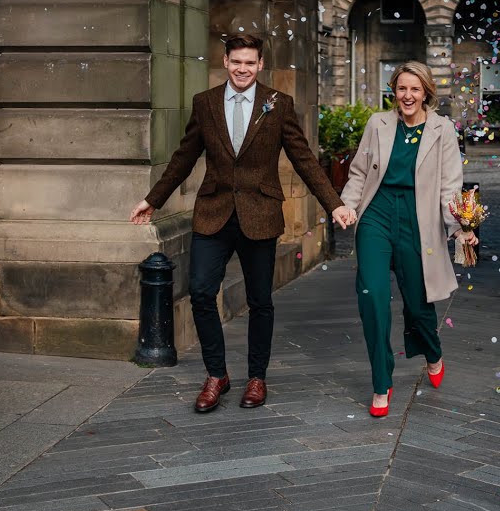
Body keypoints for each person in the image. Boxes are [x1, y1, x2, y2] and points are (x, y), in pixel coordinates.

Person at [129, 34, 356, 413]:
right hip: (214, 211)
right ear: (225, 61)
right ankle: (216, 374)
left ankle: (257, 377)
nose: (242, 69)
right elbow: (184, 158)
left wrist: (333, 204)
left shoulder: (278, 104)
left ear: (260, 65)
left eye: (250, 63)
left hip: (260, 214)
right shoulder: (205, 104)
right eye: (236, 62)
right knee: (201, 292)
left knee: (260, 300)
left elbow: (304, 160)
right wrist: (153, 200)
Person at [338, 61, 477, 418]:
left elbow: (449, 186)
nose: (408, 95)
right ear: (394, 91)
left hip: (419, 220)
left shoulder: (443, 130)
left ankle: (432, 350)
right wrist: (347, 206)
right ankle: (381, 382)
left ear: (426, 92)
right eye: (402, 88)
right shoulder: (377, 124)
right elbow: (357, 172)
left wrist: (459, 225)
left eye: (415, 89)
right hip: (377, 215)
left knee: (417, 304)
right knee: (371, 294)